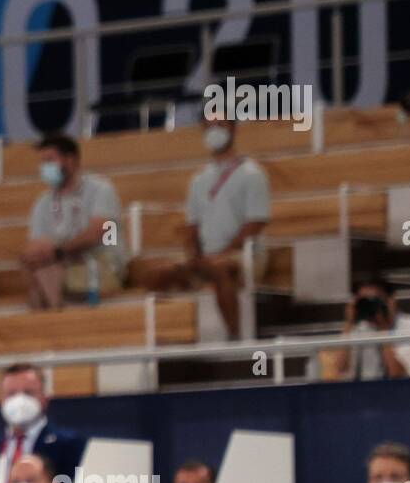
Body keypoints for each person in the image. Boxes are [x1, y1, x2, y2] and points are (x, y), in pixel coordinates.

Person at [145, 120, 270, 339]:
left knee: (220, 269)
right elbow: (192, 227)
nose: (214, 131)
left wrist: (224, 253)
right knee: (157, 275)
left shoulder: (252, 174)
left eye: (219, 125)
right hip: (208, 257)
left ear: (232, 128)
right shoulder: (198, 179)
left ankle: (235, 335)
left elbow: (255, 223)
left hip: (245, 255)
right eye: (209, 126)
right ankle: (164, 339)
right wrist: (193, 255)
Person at [21, 135, 126, 308]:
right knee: (34, 265)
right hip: (63, 265)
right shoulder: (42, 202)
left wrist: (58, 252)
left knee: (47, 277)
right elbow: (35, 245)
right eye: (43, 162)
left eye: (49, 160)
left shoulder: (101, 189)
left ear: (71, 160)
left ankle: (52, 318)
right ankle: (49, 317)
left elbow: (97, 232)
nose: (45, 167)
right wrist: (35, 255)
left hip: (102, 263)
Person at [331, 278, 410, 380]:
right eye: (365, 302)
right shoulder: (360, 329)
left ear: (391, 301)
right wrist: (348, 323)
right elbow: (340, 368)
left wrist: (383, 330)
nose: (371, 307)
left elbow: (397, 375)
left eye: (376, 300)